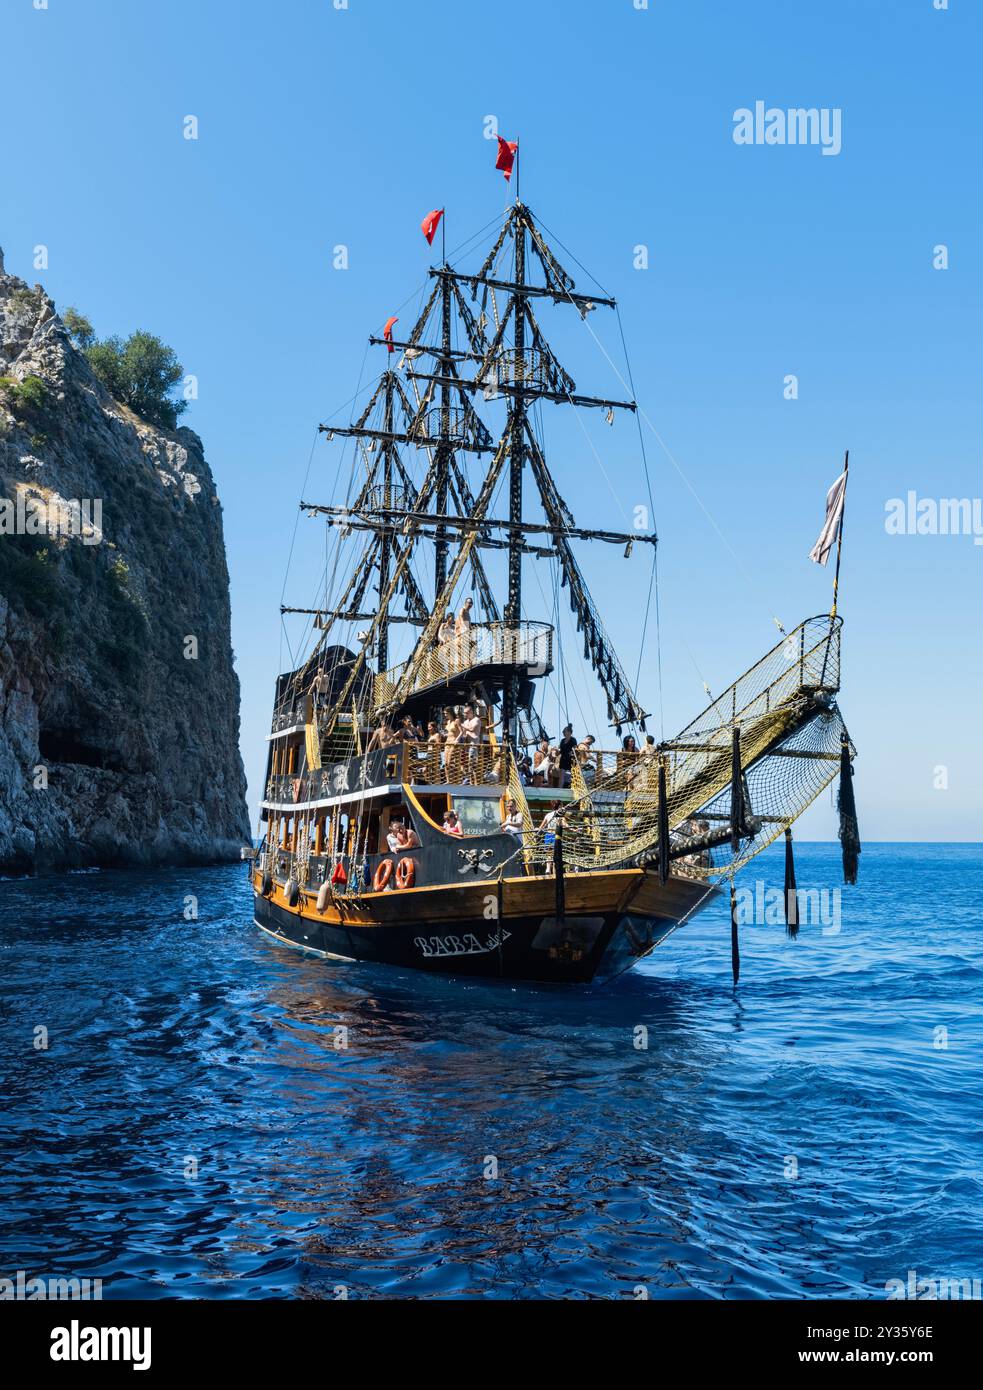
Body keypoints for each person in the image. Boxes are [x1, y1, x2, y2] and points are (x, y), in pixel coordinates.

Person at [541, 800, 562, 874]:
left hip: (548, 835)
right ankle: (554, 872)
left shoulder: (548, 815)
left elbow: (541, 827)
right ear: (559, 806)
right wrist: (574, 829)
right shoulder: (560, 815)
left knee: (549, 854)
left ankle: (548, 869)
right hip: (555, 836)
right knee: (555, 855)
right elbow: (565, 824)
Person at [455, 596, 474, 668]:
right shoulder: (462, 609)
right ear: (465, 603)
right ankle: (463, 666)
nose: (470, 604)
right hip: (461, 632)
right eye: (469, 603)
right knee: (463, 650)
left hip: (466, 631)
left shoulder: (468, 613)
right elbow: (461, 616)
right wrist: (464, 627)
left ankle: (467, 663)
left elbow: (468, 624)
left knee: (469, 647)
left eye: (471, 603)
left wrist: (469, 630)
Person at [557, 724, 578, 789]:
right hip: (563, 759)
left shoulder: (573, 739)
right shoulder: (562, 740)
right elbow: (560, 749)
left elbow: (575, 749)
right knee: (562, 774)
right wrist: (557, 751)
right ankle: (560, 788)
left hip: (570, 759)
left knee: (573, 774)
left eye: (564, 731)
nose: (563, 733)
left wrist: (571, 753)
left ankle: (573, 788)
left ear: (569, 732)